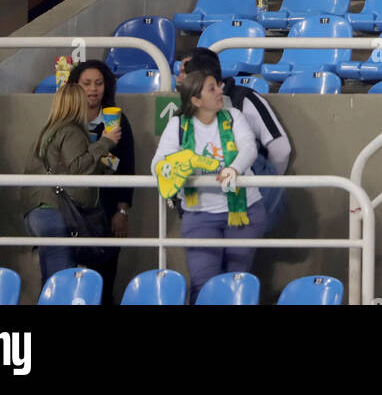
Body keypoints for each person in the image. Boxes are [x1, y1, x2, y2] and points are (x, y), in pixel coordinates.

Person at [154, 69, 266, 304]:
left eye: (218, 85)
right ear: (195, 100)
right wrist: (182, 165)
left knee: (237, 282)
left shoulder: (234, 116)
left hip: (244, 212)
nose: (220, 91)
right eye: (212, 88)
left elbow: (248, 148)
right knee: (202, 284)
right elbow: (158, 164)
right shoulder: (177, 125)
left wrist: (233, 169)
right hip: (199, 215)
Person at [179, 48, 291, 226]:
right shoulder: (185, 109)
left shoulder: (244, 99)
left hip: (246, 204)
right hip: (204, 207)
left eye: (184, 72)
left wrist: (263, 189)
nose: (179, 79)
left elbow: (281, 149)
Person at [22, 83, 120, 287]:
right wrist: (105, 142)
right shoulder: (72, 131)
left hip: (36, 212)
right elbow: (77, 168)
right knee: (64, 282)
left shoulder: (48, 131)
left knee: (51, 282)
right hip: (56, 212)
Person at [67, 60, 134, 305]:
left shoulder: (117, 120)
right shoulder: (66, 122)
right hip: (72, 208)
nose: (93, 89)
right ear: (75, 87)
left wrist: (122, 210)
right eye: (86, 84)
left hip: (106, 209)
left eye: (98, 83)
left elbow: (127, 167)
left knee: (105, 277)